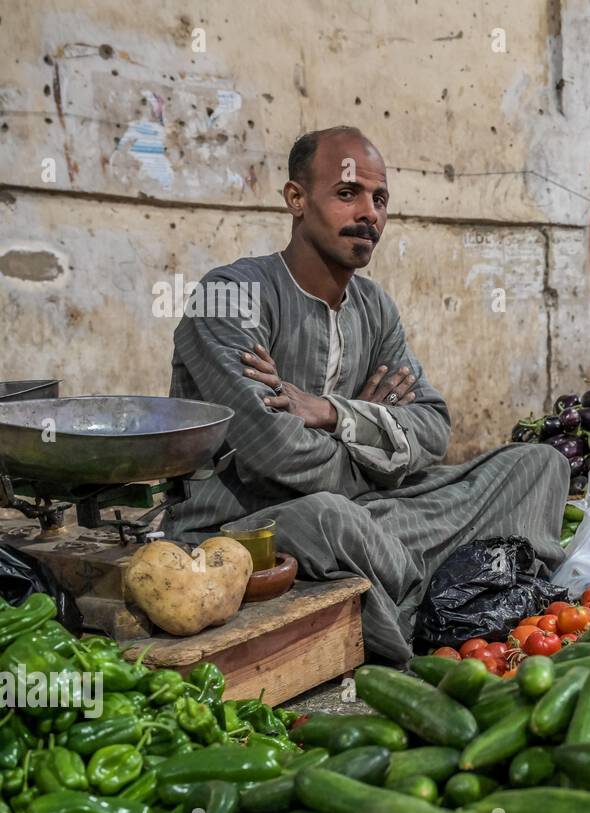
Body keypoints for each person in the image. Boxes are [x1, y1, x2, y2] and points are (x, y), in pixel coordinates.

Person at [163, 126, 569, 664]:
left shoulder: (375, 307)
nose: (369, 214)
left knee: (538, 464)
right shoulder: (231, 297)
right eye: (348, 193)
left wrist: (333, 413)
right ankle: (431, 595)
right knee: (332, 518)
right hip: (247, 530)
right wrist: (380, 451)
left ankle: (426, 580)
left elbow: (434, 428)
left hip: (374, 509)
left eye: (380, 200)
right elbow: (272, 451)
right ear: (297, 199)